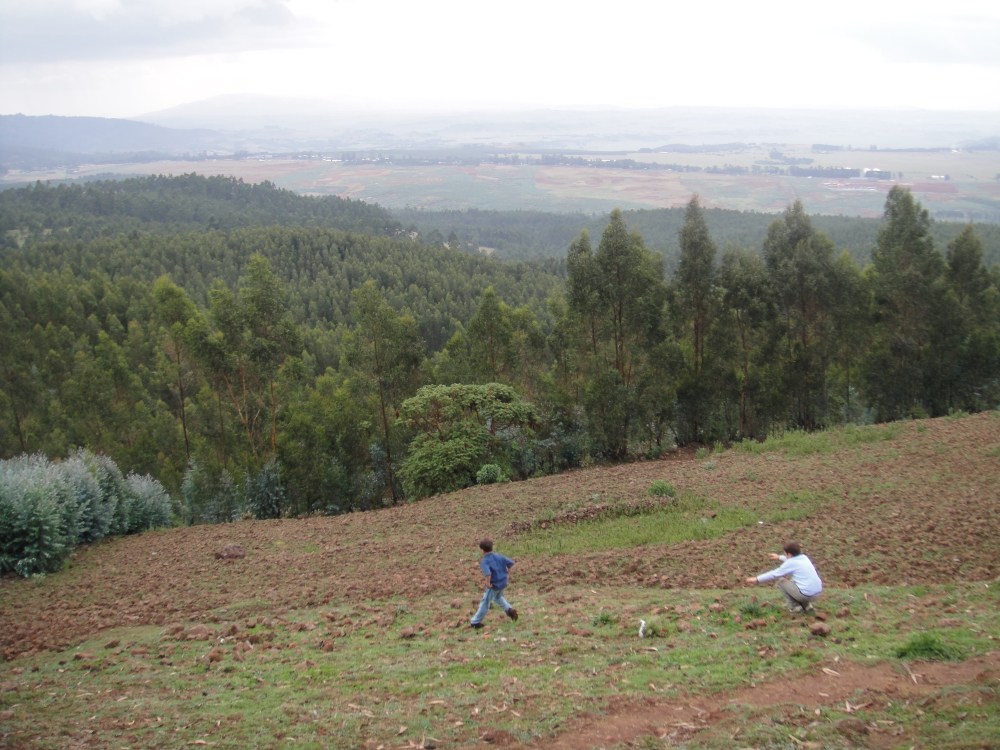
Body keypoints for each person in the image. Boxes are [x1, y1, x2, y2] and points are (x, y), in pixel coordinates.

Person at [744, 540, 822, 613]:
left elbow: (774, 574)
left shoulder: (791, 563)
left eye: (785, 554)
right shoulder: (804, 557)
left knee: (782, 582)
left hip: (806, 595)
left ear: (789, 554)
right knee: (796, 582)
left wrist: (757, 579)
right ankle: (807, 606)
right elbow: (792, 560)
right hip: (817, 593)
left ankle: (795, 607)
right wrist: (779, 557)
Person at [470, 538, 518, 628]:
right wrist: (507, 572)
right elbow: (511, 563)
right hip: (503, 582)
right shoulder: (499, 556)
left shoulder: (485, 561)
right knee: (498, 597)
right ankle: (509, 610)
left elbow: (488, 573)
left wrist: (488, 583)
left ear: (482, 550)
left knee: (485, 602)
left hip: (494, 585)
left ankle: (475, 622)